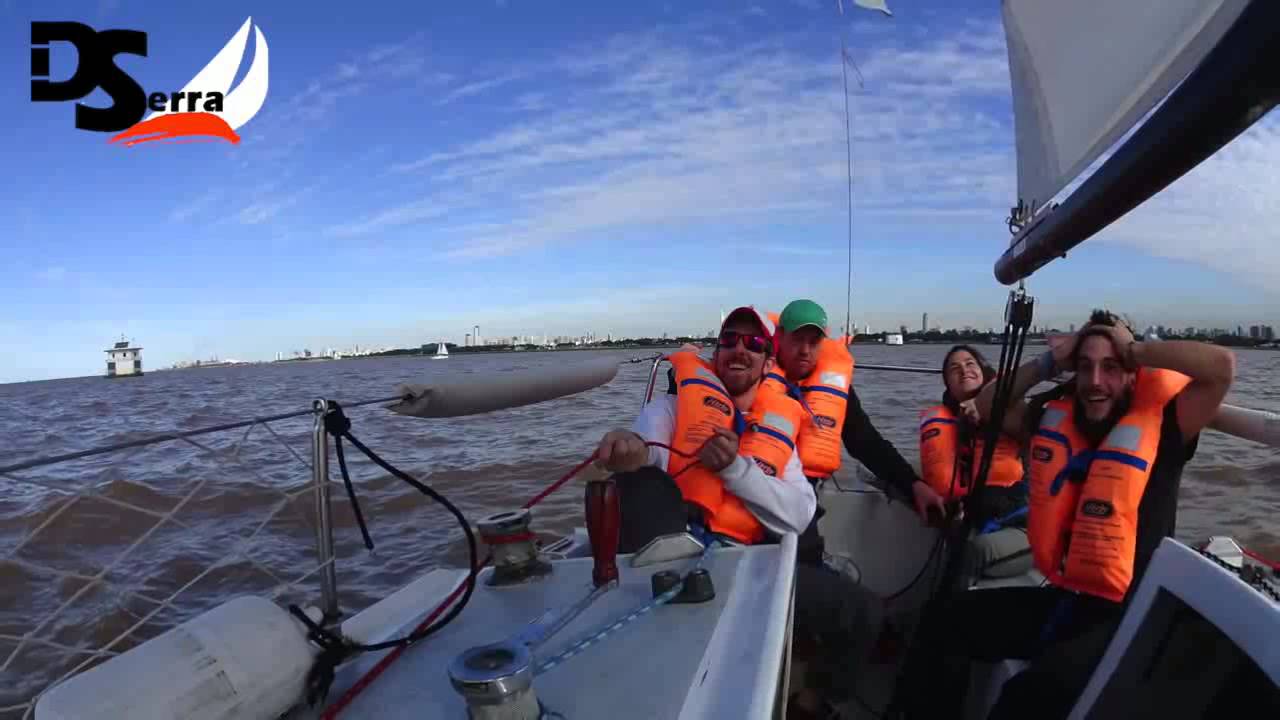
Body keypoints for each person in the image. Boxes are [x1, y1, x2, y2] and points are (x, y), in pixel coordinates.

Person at [904, 310, 1236, 720]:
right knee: (945, 621)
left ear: (1132, 373)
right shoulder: (1056, 420)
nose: (1096, 381)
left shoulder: (1168, 427)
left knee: (1026, 697)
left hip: (1126, 615)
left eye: (1111, 367)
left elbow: (1221, 367)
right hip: (1068, 599)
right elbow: (989, 404)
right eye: (1086, 367)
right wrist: (1051, 362)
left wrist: (1132, 348)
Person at [770, 299, 946, 718]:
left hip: (804, 532)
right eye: (798, 339)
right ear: (779, 341)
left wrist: (914, 484)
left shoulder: (833, 390)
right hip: (756, 540)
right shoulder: (755, 380)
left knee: (882, 632)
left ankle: (814, 687)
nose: (806, 350)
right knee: (863, 613)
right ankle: (811, 706)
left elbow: (867, 442)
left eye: (815, 341)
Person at [594, 305, 815, 552]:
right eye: (730, 340)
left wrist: (734, 469)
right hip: (668, 549)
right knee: (641, 483)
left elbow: (800, 516)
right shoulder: (670, 408)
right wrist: (630, 449)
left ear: (767, 364)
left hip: (744, 560)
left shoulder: (779, 427)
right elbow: (648, 447)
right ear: (716, 355)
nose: (739, 349)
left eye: (753, 343)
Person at [919, 345, 1031, 588]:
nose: (964, 370)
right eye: (954, 368)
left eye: (970, 364)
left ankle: (944, 618)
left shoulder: (1010, 409)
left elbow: (1032, 432)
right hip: (975, 519)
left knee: (970, 553)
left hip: (1023, 524)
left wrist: (985, 407)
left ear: (984, 371)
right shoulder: (948, 422)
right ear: (947, 383)